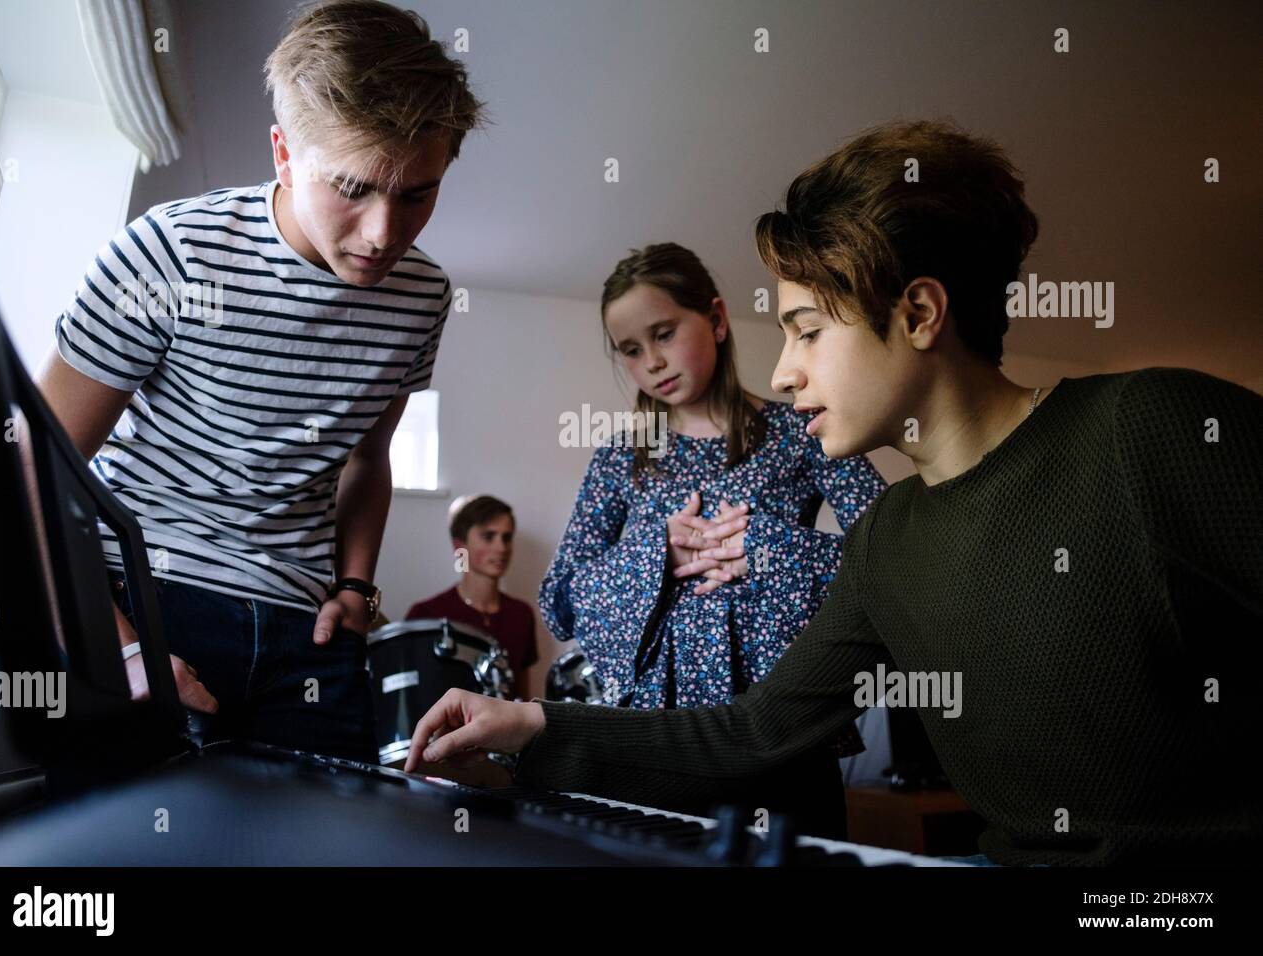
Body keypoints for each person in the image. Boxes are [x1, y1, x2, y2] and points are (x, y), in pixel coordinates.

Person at [407, 120, 1263, 866]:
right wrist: (532, 727)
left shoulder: (1158, 427)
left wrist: (770, 549)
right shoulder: (887, 539)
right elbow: (750, 731)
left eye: (807, 330)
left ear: (921, 314)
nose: (784, 369)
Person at [35, 0, 483, 762]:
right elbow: (35, 463)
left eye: (416, 194)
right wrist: (124, 648)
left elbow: (369, 459)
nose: (383, 234)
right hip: (143, 600)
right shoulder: (170, 252)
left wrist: (356, 588)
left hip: (304, 630)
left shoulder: (425, 296)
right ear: (283, 152)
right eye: (352, 187)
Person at [540, 242, 886, 717]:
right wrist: (653, 553)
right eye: (631, 350)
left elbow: (895, 561)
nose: (652, 362)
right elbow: (559, 603)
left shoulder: (802, 430)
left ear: (718, 320)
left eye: (664, 334)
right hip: (654, 725)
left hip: (783, 714)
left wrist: (769, 549)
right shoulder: (620, 457)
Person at [406, 494, 538, 699]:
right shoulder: (426, 615)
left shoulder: (522, 614)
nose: (501, 548)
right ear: (460, 546)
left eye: (507, 537)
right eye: (488, 536)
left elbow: (523, 697)